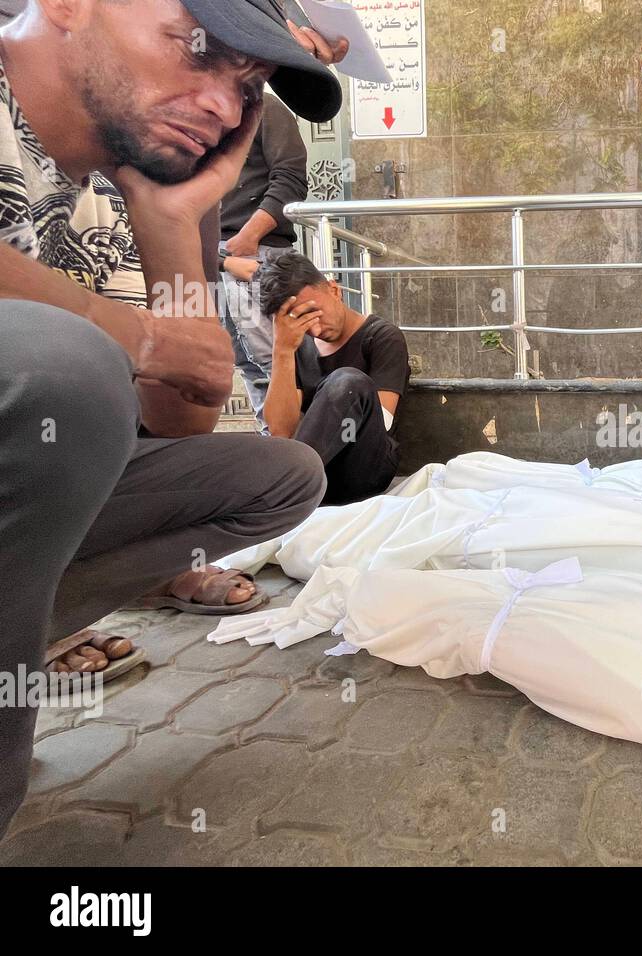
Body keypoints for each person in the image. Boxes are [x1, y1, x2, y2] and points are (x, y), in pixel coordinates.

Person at [0, 0, 346, 838]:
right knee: (70, 371)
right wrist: (137, 335)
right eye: (199, 53)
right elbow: (114, 357)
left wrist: (165, 224)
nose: (225, 108)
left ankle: (20, 636)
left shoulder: (136, 183)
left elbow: (182, 414)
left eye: (248, 84)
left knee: (278, 475)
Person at [258, 252, 411, 504]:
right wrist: (282, 351)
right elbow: (280, 431)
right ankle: (286, 489)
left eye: (314, 314)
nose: (315, 330)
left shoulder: (381, 336)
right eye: (303, 322)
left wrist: (331, 406)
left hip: (365, 467)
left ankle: (281, 494)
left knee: (349, 383)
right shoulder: (297, 345)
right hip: (317, 472)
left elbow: (381, 422)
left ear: (334, 290)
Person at [218, 92, 309, 425]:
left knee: (274, 363)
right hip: (215, 258)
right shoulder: (198, 113)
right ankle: (278, 447)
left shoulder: (266, 108)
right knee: (248, 365)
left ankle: (294, 456)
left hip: (258, 254)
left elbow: (290, 178)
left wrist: (248, 237)